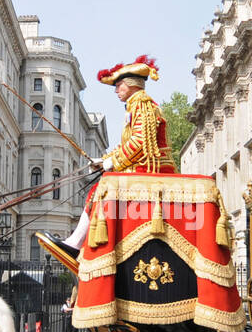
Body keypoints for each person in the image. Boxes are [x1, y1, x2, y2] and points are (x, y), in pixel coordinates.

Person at [43, 55, 173, 258]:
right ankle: (76, 243)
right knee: (98, 188)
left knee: (102, 189)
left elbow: (139, 143)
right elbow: (127, 144)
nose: (116, 90)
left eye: (118, 85)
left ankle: (76, 243)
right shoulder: (135, 105)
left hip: (151, 168)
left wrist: (111, 163)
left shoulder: (142, 103)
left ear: (131, 84)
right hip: (143, 166)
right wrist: (103, 161)